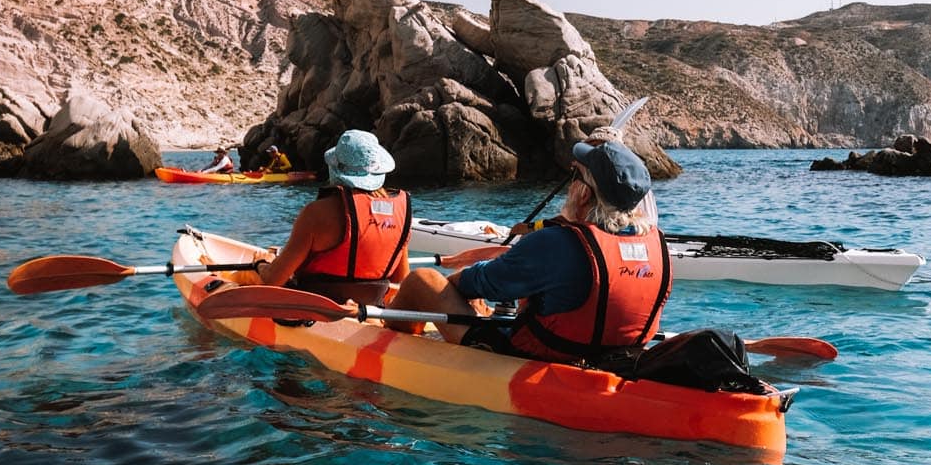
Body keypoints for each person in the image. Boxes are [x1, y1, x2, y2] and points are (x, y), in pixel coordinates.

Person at [390, 140, 671, 366]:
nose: (570, 185)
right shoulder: (657, 245)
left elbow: (477, 284)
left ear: (584, 194)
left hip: (533, 357)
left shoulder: (555, 243)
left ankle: (383, 330)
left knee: (423, 280)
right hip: (616, 358)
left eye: (575, 177)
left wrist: (460, 281)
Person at [258, 128, 411, 302]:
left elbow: (273, 280)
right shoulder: (401, 213)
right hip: (369, 306)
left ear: (335, 169)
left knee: (258, 272)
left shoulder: (316, 213)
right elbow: (399, 277)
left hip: (314, 308)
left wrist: (261, 265)